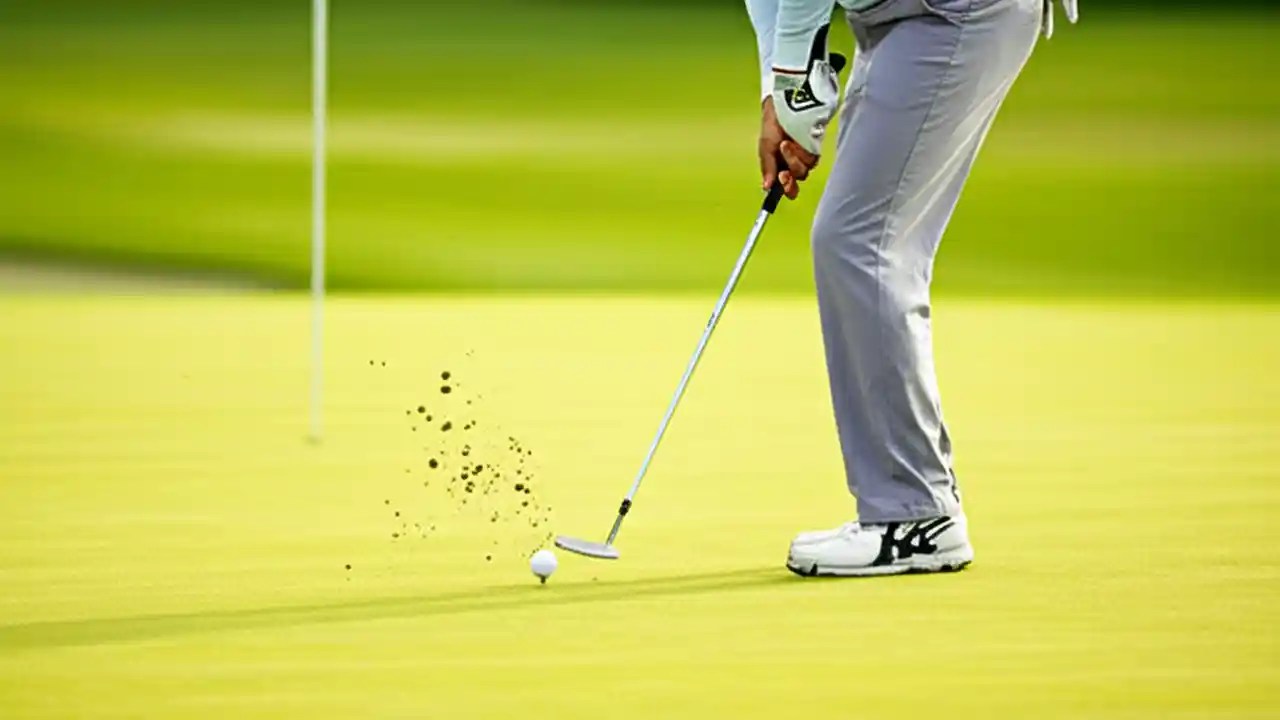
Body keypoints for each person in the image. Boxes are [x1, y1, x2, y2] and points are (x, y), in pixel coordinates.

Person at [747, 0, 1078, 576]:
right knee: (866, 241)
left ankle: (914, 516)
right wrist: (778, 94)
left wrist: (795, 81)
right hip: (904, 17)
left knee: (859, 240)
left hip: (956, 13)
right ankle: (915, 505)